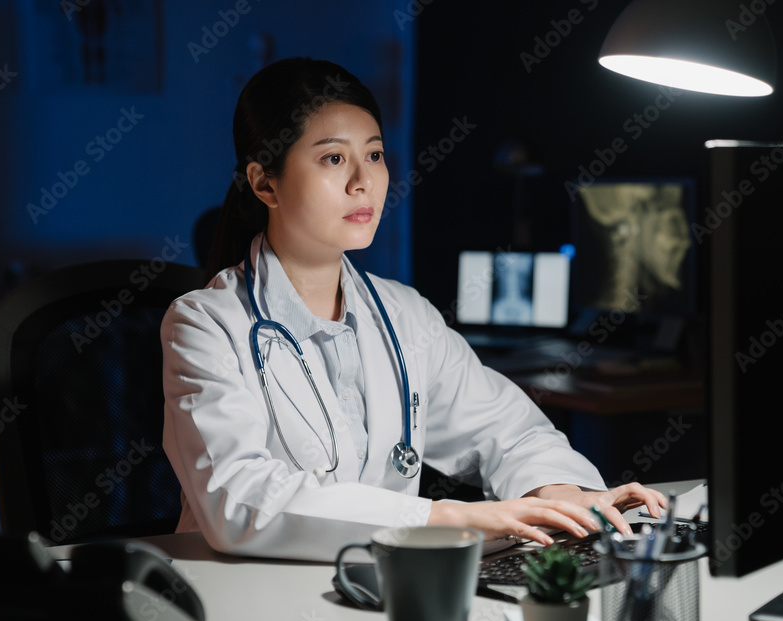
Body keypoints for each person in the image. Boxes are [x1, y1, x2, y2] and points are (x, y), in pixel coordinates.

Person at [161, 57, 666, 561]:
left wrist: (562, 497)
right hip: (249, 600)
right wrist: (444, 517)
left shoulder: (404, 315)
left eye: (375, 155)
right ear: (264, 183)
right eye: (333, 159)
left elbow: (510, 431)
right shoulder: (204, 325)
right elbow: (239, 501)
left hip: (388, 588)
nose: (364, 181)